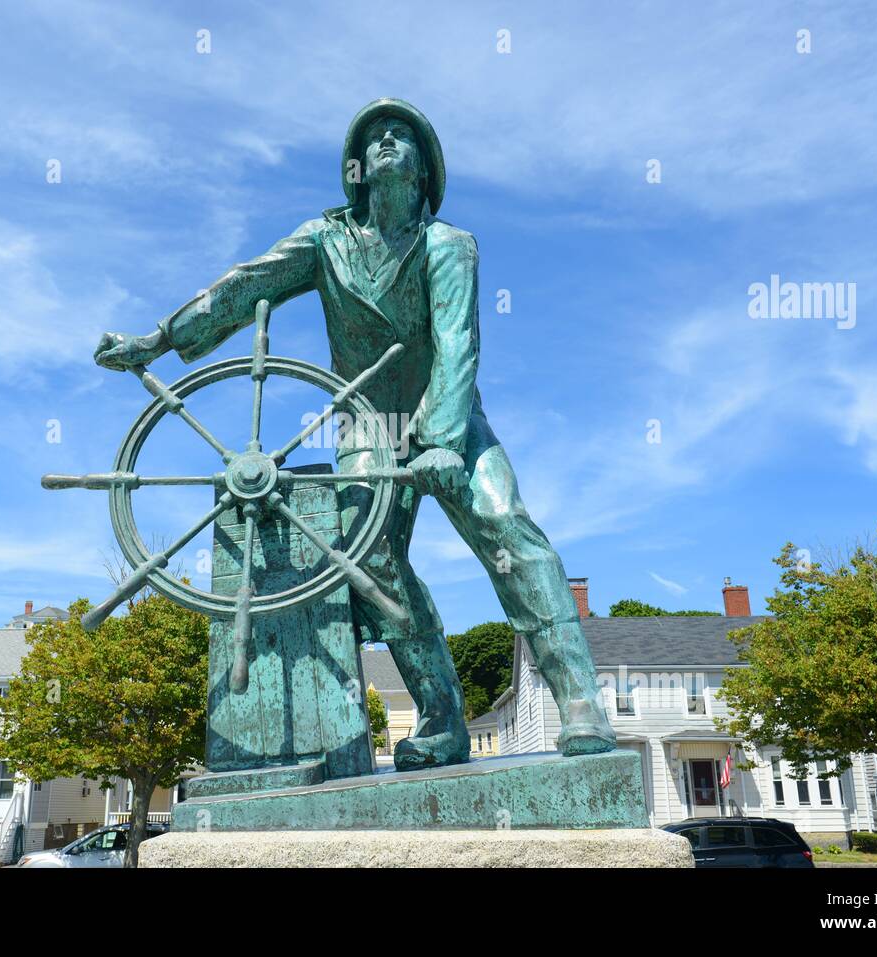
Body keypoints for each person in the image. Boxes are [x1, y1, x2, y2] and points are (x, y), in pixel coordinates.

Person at [95, 99, 615, 770]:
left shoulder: (449, 245)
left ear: (424, 172)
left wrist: (442, 438)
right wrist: (159, 340)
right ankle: (441, 716)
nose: (389, 141)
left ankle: (580, 702)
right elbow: (243, 286)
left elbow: (457, 342)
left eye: (403, 136)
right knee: (371, 561)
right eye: (376, 137)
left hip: (448, 414)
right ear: (356, 169)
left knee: (508, 529)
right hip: (366, 423)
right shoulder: (324, 241)